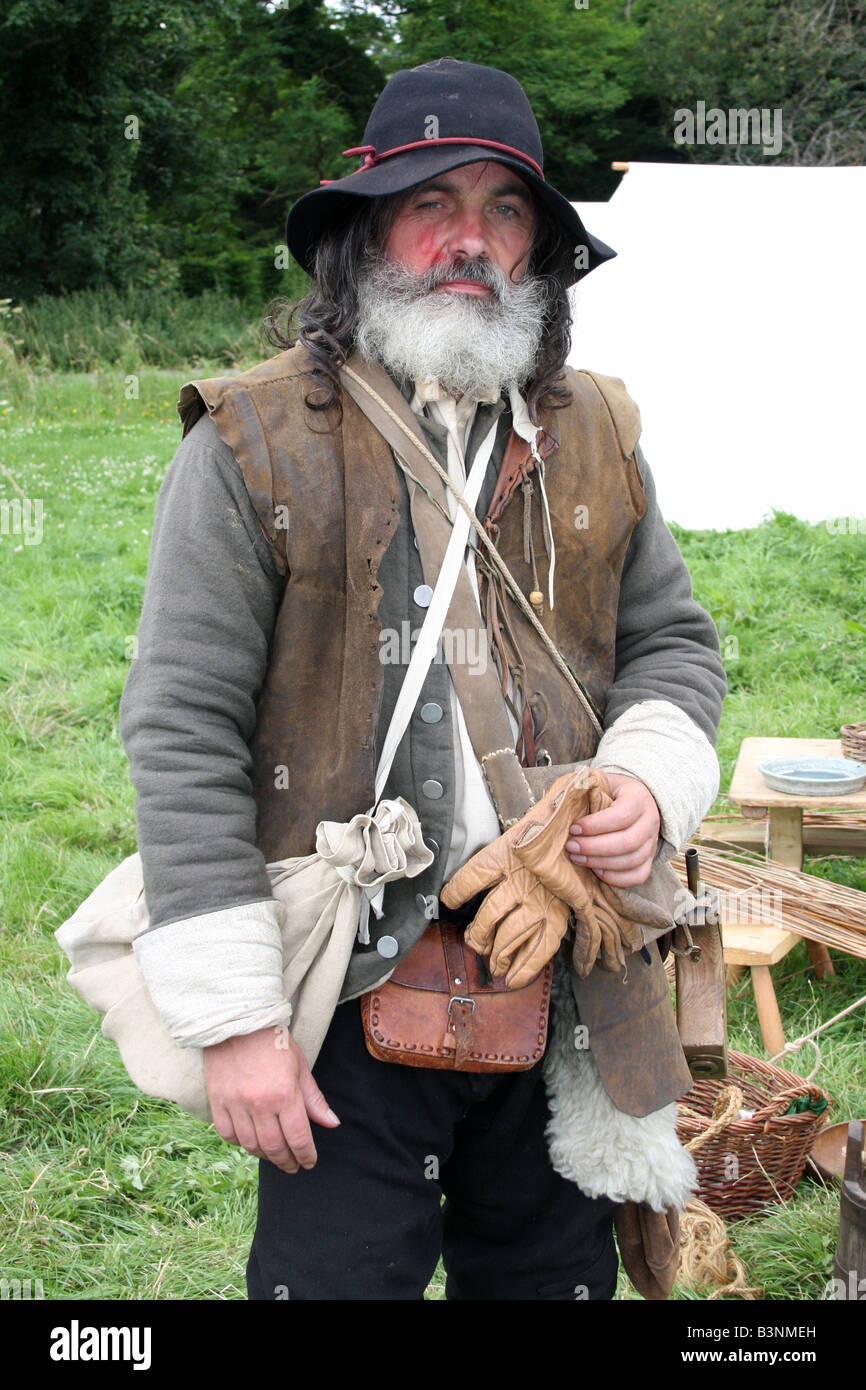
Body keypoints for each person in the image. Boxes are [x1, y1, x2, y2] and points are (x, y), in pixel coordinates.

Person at [118, 57, 726, 1301]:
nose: (472, 241)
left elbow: (672, 644)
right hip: (348, 985)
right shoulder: (252, 441)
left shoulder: (595, 431)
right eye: (432, 203)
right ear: (365, 236)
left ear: (540, 255)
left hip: (558, 973)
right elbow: (181, 728)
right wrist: (238, 1022)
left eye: (506, 210)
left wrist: (640, 791)